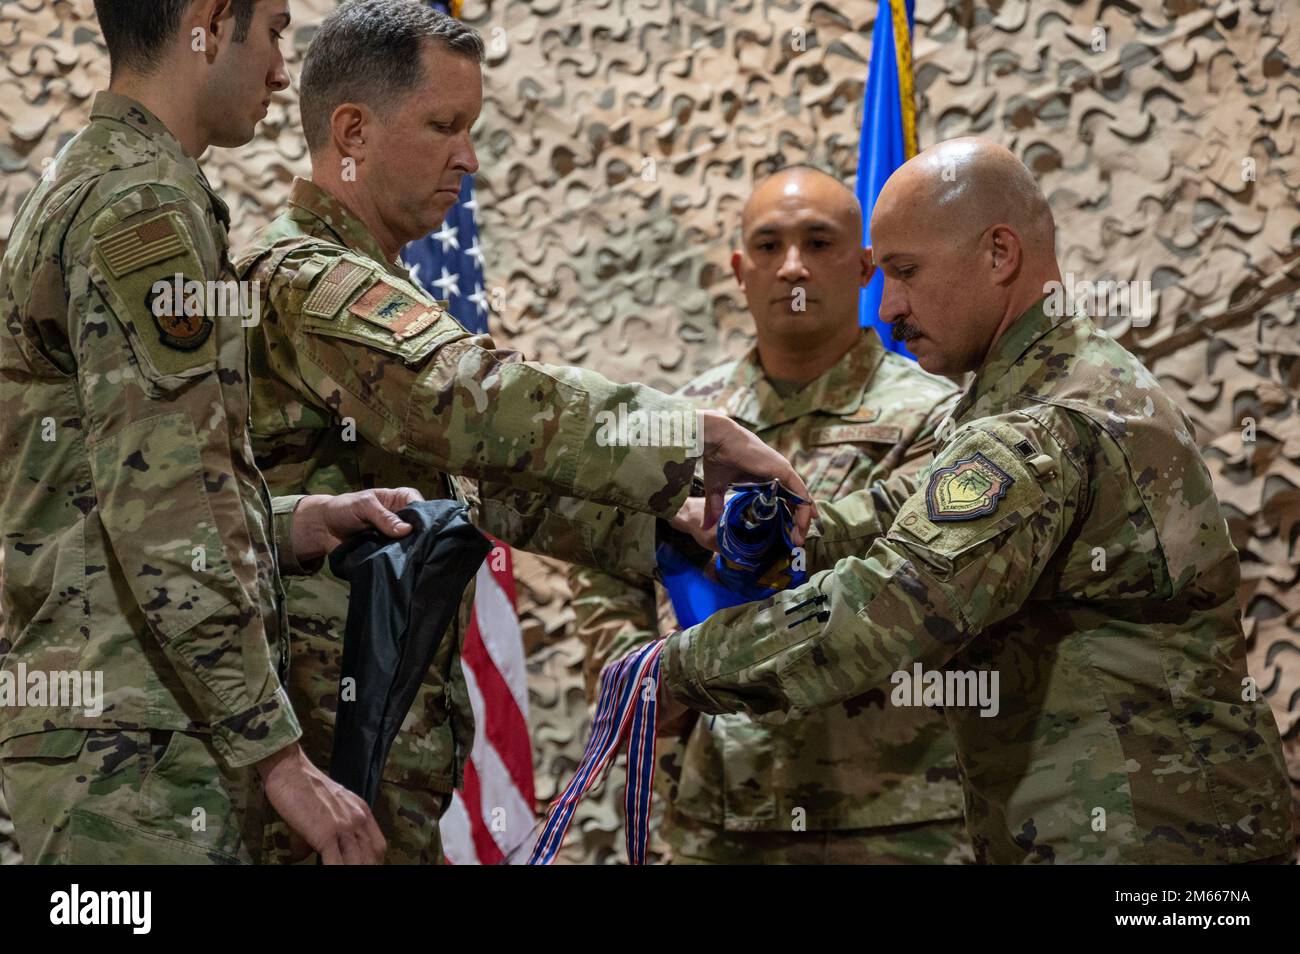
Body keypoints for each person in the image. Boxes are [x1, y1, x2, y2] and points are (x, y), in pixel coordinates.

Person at [236, 0, 810, 863]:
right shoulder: (306, 279)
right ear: (351, 130)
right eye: (444, 125)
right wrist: (691, 435)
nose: (467, 156)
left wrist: (662, 522)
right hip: (315, 761)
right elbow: (466, 399)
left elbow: (470, 490)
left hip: (370, 739)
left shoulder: (374, 288)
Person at [657, 138, 1295, 864]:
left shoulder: (1047, 418)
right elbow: (893, 515)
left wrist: (673, 670)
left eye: (903, 272)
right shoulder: (1030, 388)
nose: (887, 306)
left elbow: (884, 612)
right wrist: (785, 522)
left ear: (999, 254)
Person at [0, 0, 424, 865]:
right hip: (142, 763)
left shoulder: (91, 180)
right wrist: (280, 755)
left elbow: (93, 491)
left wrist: (289, 525)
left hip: (113, 740)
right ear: (211, 20)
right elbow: (162, 509)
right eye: (271, 30)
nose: (279, 69)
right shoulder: (142, 209)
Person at [568, 166, 971, 864]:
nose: (793, 267)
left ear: (866, 265)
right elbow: (608, 565)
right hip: (715, 814)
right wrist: (644, 683)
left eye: (819, 243)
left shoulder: (938, 417)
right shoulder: (678, 423)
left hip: (895, 816)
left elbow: (921, 586)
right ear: (738, 269)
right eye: (768, 246)